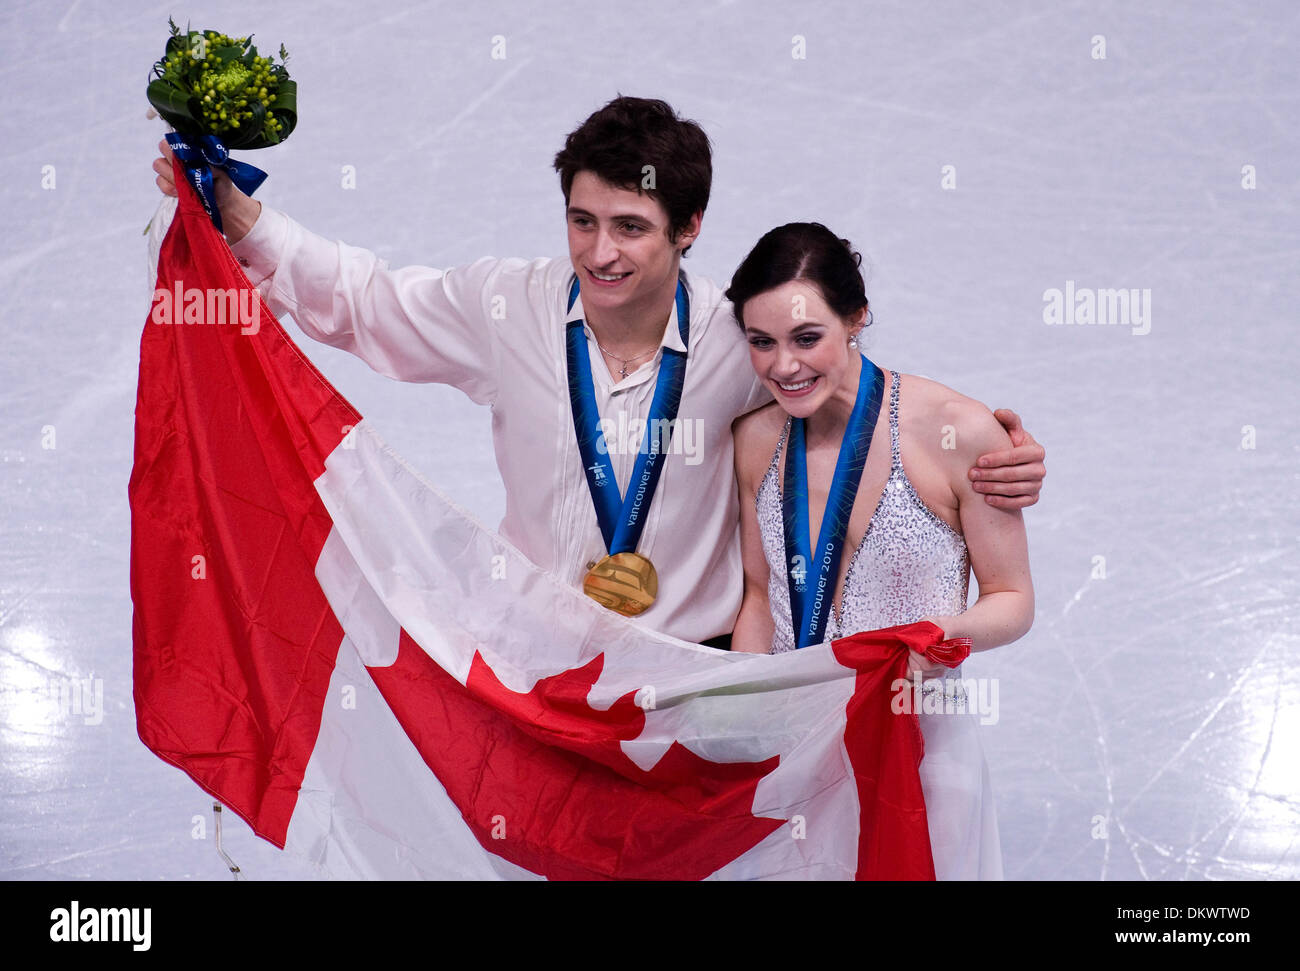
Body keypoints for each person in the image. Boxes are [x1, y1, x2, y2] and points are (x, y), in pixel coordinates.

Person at [150, 96, 1046, 648]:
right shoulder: (507, 309)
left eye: (629, 226)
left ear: (689, 227)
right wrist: (241, 220)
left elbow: (846, 380)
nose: (600, 252)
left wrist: (995, 450)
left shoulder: (743, 345)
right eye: (582, 221)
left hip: (693, 670)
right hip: (536, 663)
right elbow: (368, 299)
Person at [727, 222, 1034, 877]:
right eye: (762, 342)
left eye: (807, 338)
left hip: (920, 750)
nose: (784, 364)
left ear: (856, 319)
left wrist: (934, 638)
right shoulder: (754, 438)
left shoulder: (957, 429)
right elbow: (760, 594)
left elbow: (1012, 600)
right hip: (797, 750)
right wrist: (741, 710)